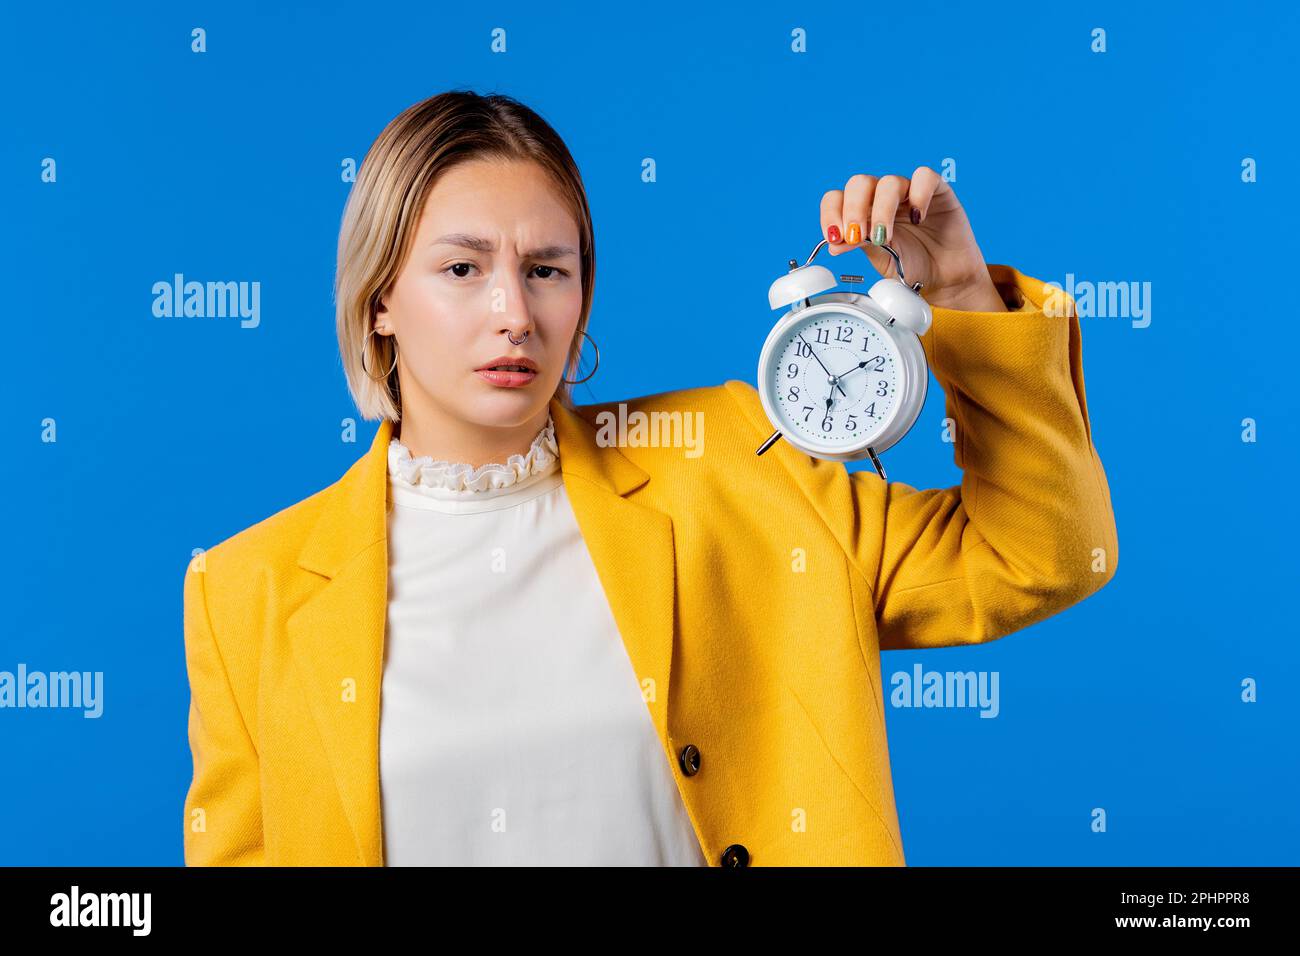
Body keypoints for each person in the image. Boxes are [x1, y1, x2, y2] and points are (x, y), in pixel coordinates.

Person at [181, 89, 1118, 866]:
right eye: (462, 267)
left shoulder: (739, 468)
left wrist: (958, 297)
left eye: (547, 268)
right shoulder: (247, 595)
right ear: (380, 298)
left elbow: (1043, 555)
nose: (514, 312)